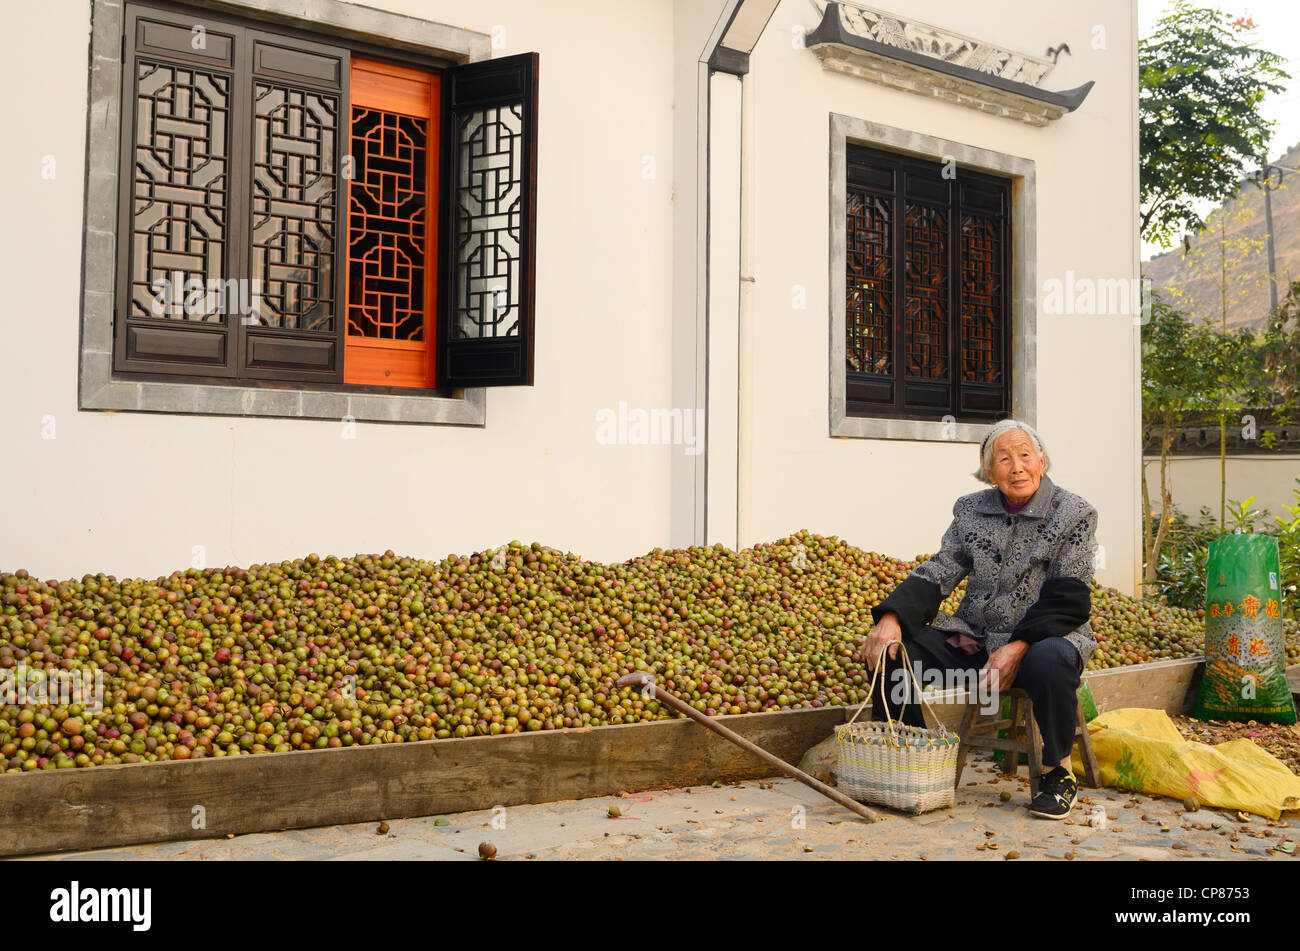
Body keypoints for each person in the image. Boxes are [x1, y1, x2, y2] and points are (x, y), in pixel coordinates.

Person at [852, 419, 1098, 819]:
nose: (1016, 466)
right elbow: (941, 569)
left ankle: (1059, 771)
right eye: (1003, 458)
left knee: (1050, 659)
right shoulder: (971, 509)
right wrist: (893, 617)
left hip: (1044, 639)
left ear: (1042, 460)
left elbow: (1069, 595)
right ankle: (907, 759)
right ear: (988, 471)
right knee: (893, 652)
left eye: (1024, 455)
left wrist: (1017, 647)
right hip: (977, 640)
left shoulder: (1074, 513)